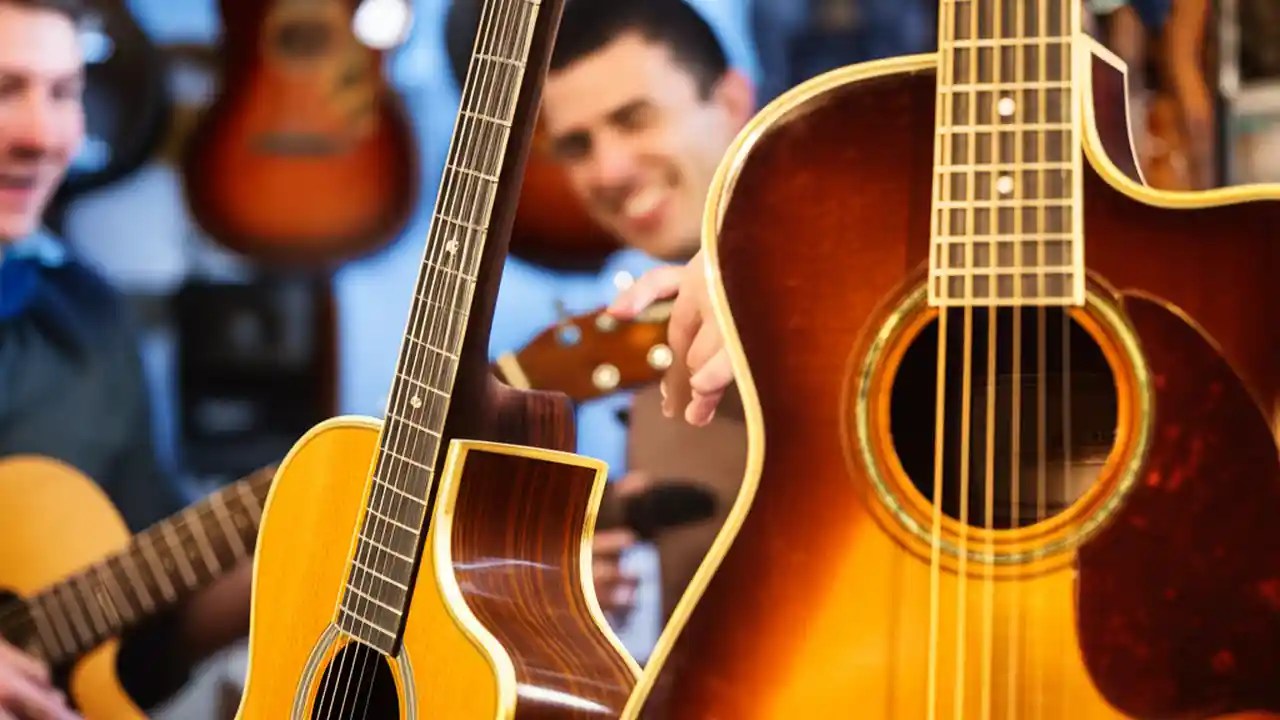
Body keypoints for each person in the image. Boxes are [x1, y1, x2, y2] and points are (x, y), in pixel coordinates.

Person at [0, 0, 251, 716]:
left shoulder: (90, 316)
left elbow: (151, 637)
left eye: (63, 93)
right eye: (2, 90)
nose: (43, 136)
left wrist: (307, 549)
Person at [536, 0, 755, 625]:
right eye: (576, 145)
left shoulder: (870, 244)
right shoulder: (608, 323)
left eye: (635, 119)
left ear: (733, 104)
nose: (610, 171)